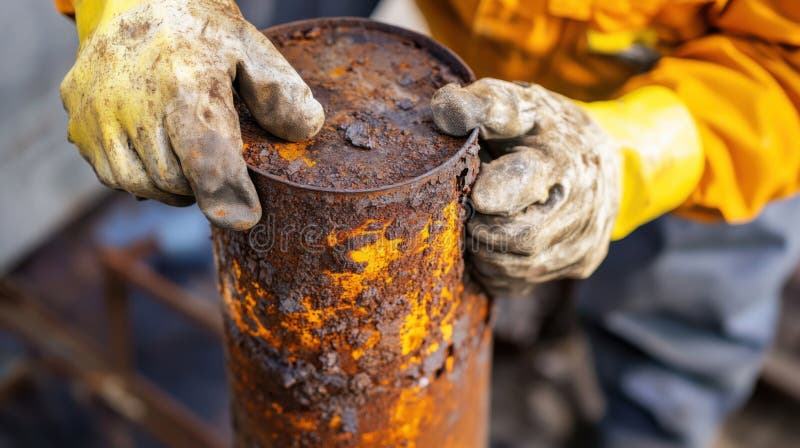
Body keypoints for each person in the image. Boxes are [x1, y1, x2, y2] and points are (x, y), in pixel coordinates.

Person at [54, 0, 800, 447]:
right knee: (246, 122)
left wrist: (634, 157)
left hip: (704, 92)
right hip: (457, 43)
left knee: (684, 319)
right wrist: (131, 10)